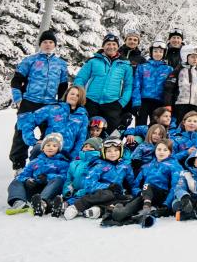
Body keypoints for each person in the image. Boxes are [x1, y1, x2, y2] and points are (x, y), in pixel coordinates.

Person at [8, 30, 69, 170]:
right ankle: (18, 166)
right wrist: (19, 100)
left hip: (49, 104)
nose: (48, 45)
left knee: (50, 135)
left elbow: (63, 86)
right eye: (45, 42)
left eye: (51, 42)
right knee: (22, 133)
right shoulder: (30, 60)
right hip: (29, 102)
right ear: (40, 44)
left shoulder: (61, 64)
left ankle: (43, 164)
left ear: (55, 45)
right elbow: (16, 81)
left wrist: (61, 103)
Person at [16, 84, 89, 166]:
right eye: (72, 93)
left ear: (81, 98)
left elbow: (81, 140)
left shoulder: (83, 117)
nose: (74, 96)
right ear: (67, 94)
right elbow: (29, 121)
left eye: (78, 95)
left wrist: (73, 157)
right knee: (37, 150)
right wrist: (32, 141)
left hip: (66, 154)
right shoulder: (53, 108)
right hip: (48, 149)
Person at [74, 34, 134, 132]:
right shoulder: (93, 61)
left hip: (113, 103)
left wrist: (121, 103)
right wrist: (81, 97)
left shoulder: (125, 64)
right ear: (103, 46)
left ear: (118, 47)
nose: (111, 47)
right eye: (108, 44)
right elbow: (80, 79)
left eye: (114, 44)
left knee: (110, 134)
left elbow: (128, 86)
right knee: (85, 131)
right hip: (90, 101)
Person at [5, 134, 69, 216]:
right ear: (42, 148)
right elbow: (22, 175)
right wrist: (27, 180)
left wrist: (48, 178)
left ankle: (41, 203)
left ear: (58, 149)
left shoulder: (63, 163)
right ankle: (19, 202)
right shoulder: (34, 162)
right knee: (17, 180)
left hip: (50, 191)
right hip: (34, 191)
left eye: (54, 146)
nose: (50, 147)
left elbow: (65, 177)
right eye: (48, 145)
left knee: (58, 180)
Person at [132, 41, 173, 128]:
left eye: (161, 52)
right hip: (143, 101)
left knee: (156, 127)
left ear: (164, 53)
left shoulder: (168, 69)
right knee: (140, 126)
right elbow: (136, 85)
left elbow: (170, 88)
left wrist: (168, 103)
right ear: (151, 52)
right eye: (155, 51)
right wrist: (136, 102)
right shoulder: (143, 67)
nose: (158, 54)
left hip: (159, 102)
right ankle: (138, 141)